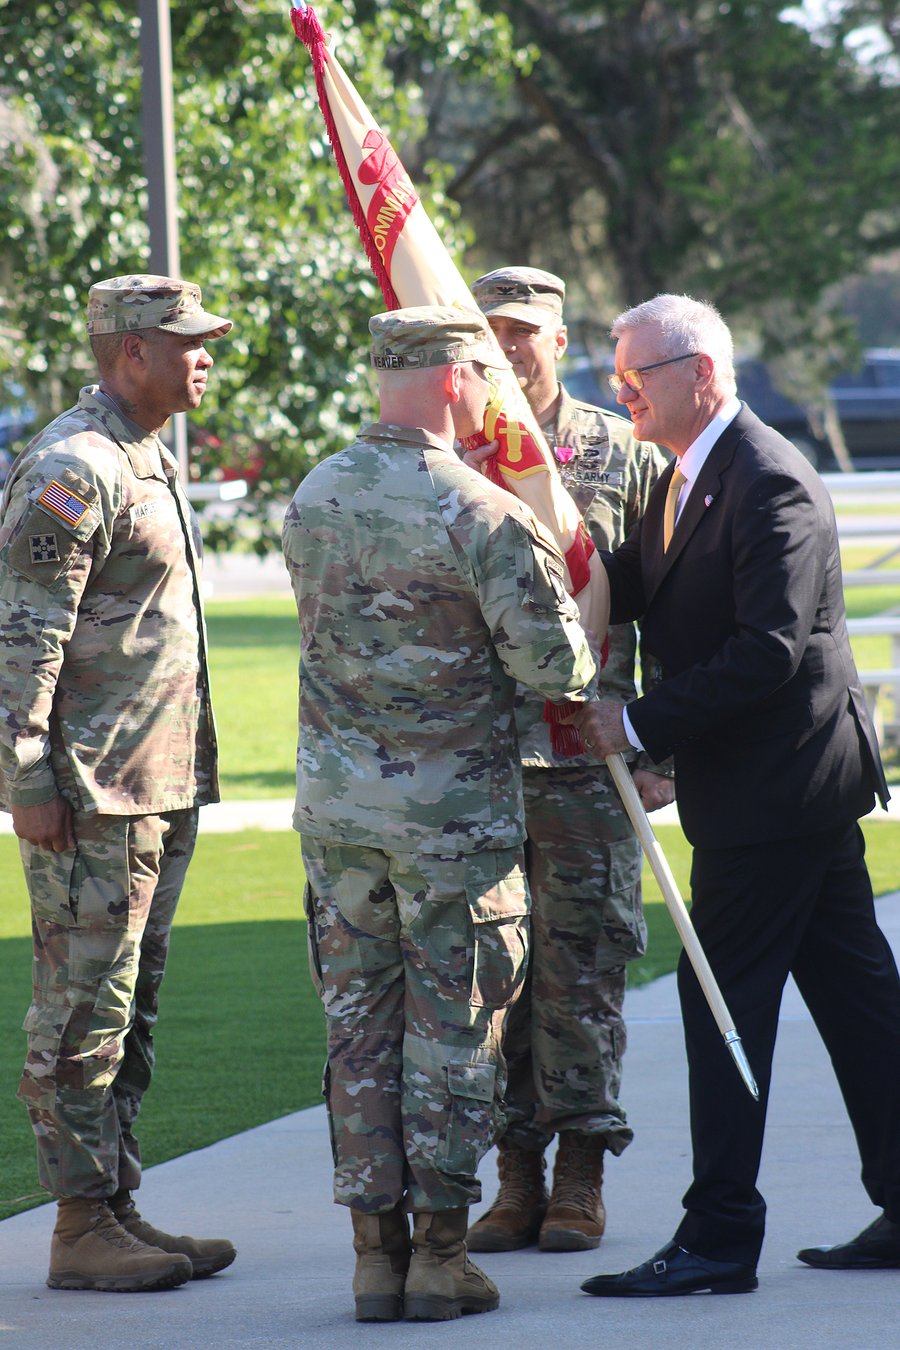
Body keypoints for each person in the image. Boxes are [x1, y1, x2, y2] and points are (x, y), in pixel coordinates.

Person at [575, 293, 900, 1296]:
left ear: (701, 373)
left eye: (637, 374)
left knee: (721, 1004)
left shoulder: (767, 482)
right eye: (616, 373)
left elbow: (768, 649)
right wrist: (549, 542)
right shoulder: (683, 478)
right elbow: (639, 580)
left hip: (779, 794)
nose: (619, 390)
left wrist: (634, 726)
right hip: (781, 795)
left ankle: (719, 1237)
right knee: (859, 1004)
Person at [281, 305, 599, 1322]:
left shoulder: (314, 495)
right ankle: (439, 1258)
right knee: (455, 1037)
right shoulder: (481, 512)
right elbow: (556, 668)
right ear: (458, 379)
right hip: (453, 821)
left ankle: (374, 1258)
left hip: (340, 818)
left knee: (359, 1036)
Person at [0, 274, 237, 1292]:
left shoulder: (140, 457)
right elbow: (23, 639)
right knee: (80, 1009)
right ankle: (79, 1225)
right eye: (186, 342)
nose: (205, 357)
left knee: (128, 1009)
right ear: (128, 352)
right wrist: (26, 778)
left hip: (154, 781)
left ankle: (117, 1206)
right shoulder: (72, 467)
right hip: (90, 793)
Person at [462, 267, 674, 1254]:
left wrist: (663, 737)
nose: (507, 348)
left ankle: (582, 1174)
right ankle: (517, 1177)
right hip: (483, 758)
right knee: (496, 977)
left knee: (582, 971)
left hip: (591, 759)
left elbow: (673, 601)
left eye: (525, 332)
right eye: (490, 330)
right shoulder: (458, 452)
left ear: (558, 338)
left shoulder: (620, 451)